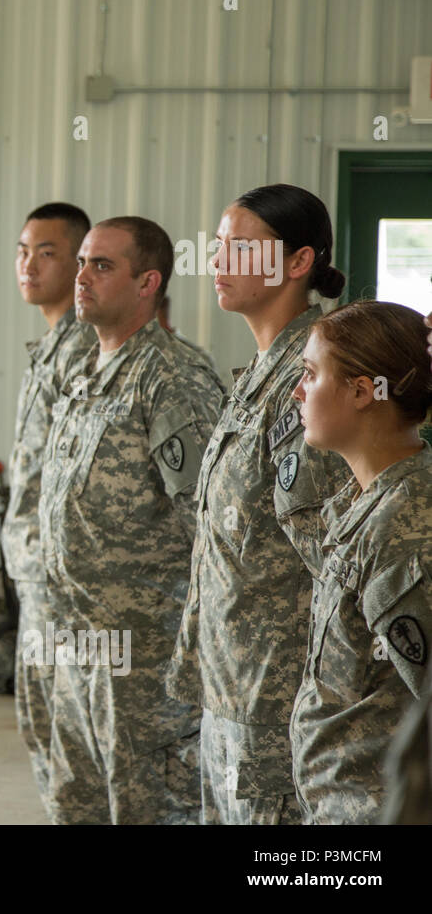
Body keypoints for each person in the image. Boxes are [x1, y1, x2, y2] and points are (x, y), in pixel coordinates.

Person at [167, 184, 351, 824]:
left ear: (299, 263)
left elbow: (333, 558)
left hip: (278, 701)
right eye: (216, 248)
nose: (218, 261)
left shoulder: (310, 379)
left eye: (240, 248)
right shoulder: (260, 373)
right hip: (231, 687)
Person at [40, 216, 225, 824]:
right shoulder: (85, 372)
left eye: (101, 265)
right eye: (81, 263)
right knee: (77, 803)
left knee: (147, 811)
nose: (81, 277)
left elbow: (208, 526)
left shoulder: (171, 378)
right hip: (75, 640)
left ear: (148, 282)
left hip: (143, 655)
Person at [288, 300, 432, 823]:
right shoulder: (362, 501)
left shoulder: (405, 522)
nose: (297, 392)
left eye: (309, 374)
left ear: (361, 390)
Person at [2, 202, 95, 813]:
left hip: (68, 582)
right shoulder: (52, 345)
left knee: (73, 741)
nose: (29, 264)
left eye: (48, 252)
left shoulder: (87, 346)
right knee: (43, 729)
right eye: (22, 250)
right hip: (36, 573)